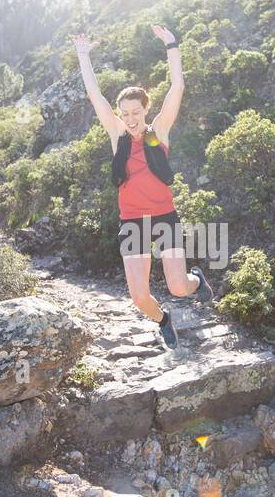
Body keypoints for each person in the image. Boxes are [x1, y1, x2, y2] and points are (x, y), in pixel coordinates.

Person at [73, 24, 213, 350]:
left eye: (136, 112)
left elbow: (177, 87)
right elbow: (94, 94)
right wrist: (83, 55)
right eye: (125, 113)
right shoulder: (117, 134)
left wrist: (172, 44)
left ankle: (197, 280)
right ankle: (163, 320)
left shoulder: (158, 131)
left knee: (179, 287)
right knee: (139, 298)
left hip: (164, 216)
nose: (131, 118)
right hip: (132, 221)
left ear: (145, 109)